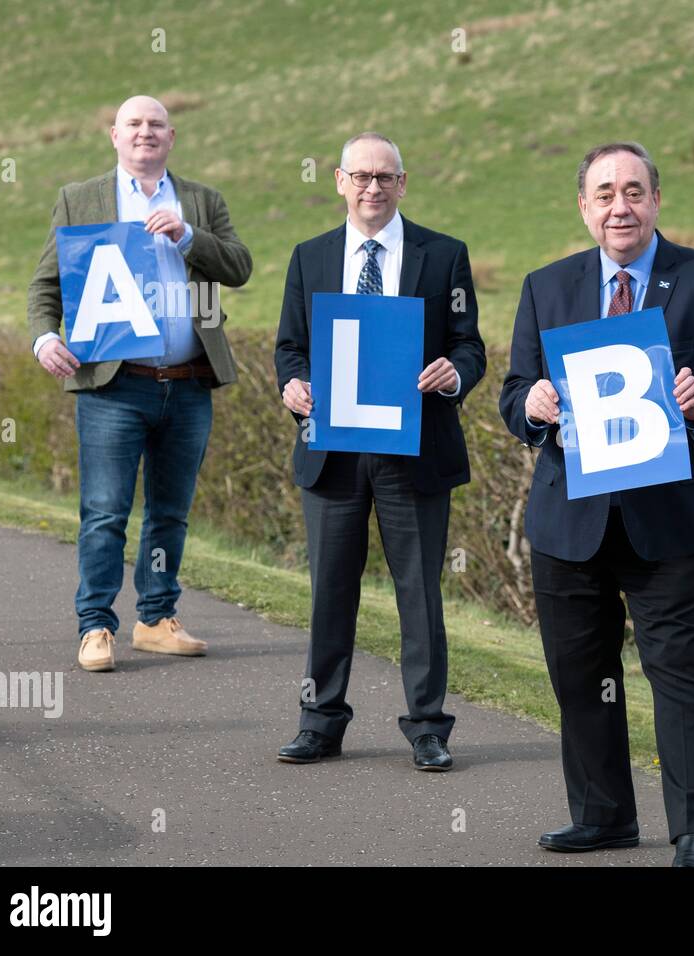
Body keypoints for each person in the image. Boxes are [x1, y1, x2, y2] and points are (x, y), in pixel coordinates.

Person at [499, 142, 694, 866]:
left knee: (677, 675)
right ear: (583, 207)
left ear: (656, 200)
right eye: (606, 193)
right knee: (582, 677)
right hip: (568, 520)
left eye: (635, 191)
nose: (622, 206)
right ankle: (603, 816)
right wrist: (535, 403)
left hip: (666, 521)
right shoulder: (546, 286)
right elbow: (513, 393)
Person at [274, 132, 485, 771]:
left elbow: (469, 344)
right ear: (339, 180)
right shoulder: (309, 257)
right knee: (328, 591)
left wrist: (454, 373)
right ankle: (321, 722)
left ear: (403, 183)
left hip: (414, 450)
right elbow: (290, 346)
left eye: (385, 177)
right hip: (332, 451)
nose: (372, 187)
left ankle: (427, 727)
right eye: (361, 176)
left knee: (419, 592)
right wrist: (293, 386)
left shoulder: (444, 255)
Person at [27, 94, 253, 673]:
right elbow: (45, 285)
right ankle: (96, 626)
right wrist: (44, 337)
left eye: (156, 124)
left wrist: (187, 237)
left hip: (188, 382)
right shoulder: (80, 200)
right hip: (113, 386)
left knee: (170, 513)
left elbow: (239, 267)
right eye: (134, 124)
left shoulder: (202, 200)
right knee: (104, 511)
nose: (145, 132)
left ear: (171, 137)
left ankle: (155, 619)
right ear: (114, 135)